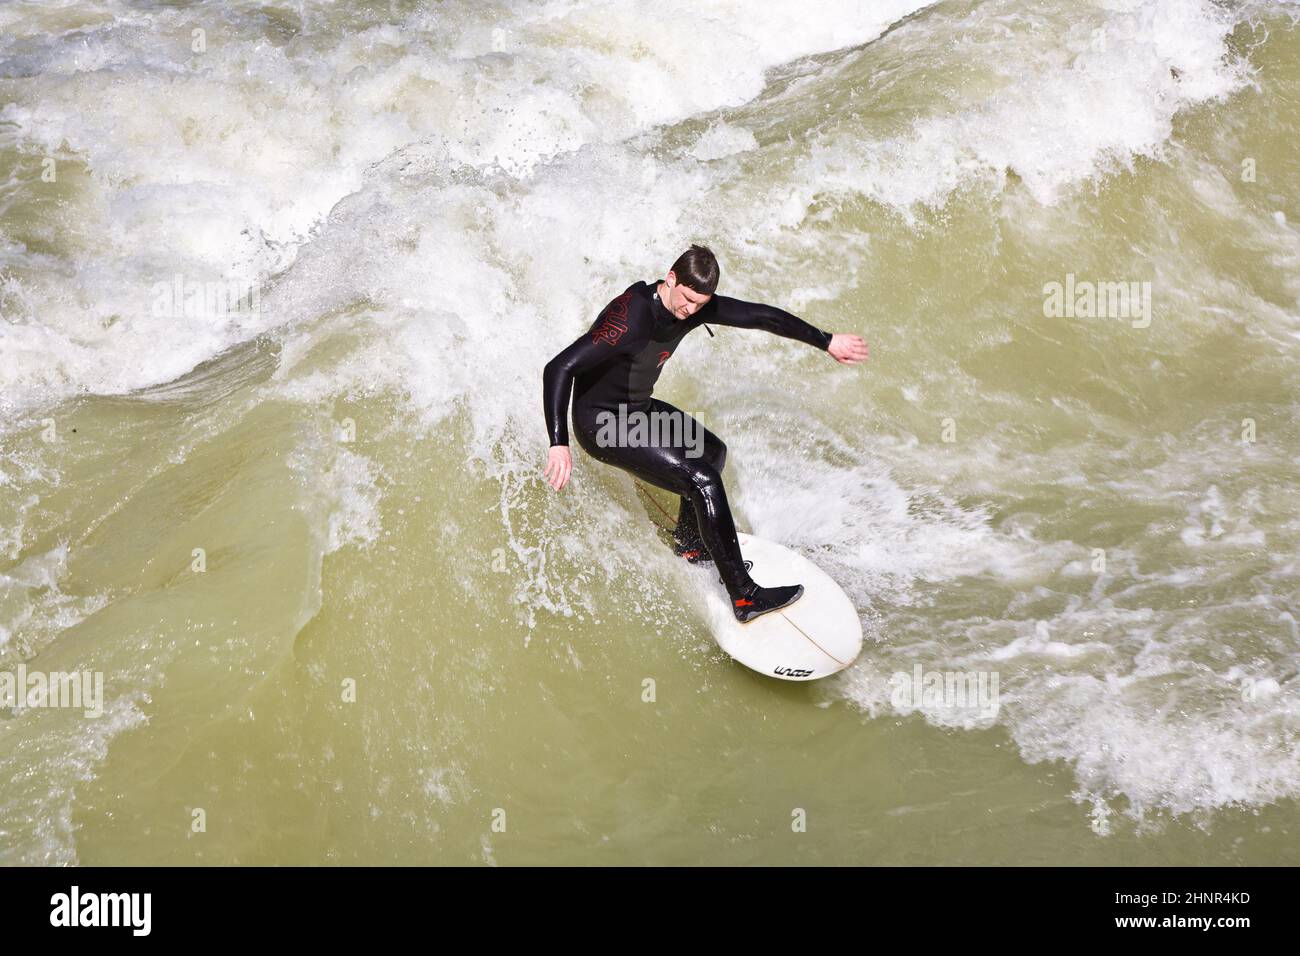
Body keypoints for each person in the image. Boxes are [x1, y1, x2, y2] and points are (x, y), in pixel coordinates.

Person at [542, 244, 869, 623]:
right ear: (671, 279)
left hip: (637, 409)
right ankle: (745, 597)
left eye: (700, 304)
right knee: (704, 480)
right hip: (602, 424)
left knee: (712, 453)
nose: (690, 310)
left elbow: (760, 316)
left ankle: (691, 544)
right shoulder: (630, 319)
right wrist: (558, 443)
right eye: (687, 299)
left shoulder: (694, 305)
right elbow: (559, 367)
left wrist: (827, 341)